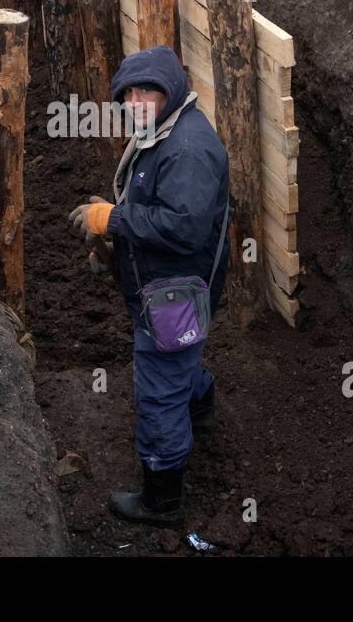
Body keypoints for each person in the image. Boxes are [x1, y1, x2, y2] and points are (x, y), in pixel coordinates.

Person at [68, 45, 231, 526]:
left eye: (147, 91)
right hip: (166, 285)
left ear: (171, 90)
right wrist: (114, 239)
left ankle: (162, 500)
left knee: (159, 388)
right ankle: (201, 407)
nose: (136, 101)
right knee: (178, 361)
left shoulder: (187, 150)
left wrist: (113, 220)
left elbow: (183, 227)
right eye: (128, 93)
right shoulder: (161, 129)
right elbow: (154, 204)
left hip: (176, 295)